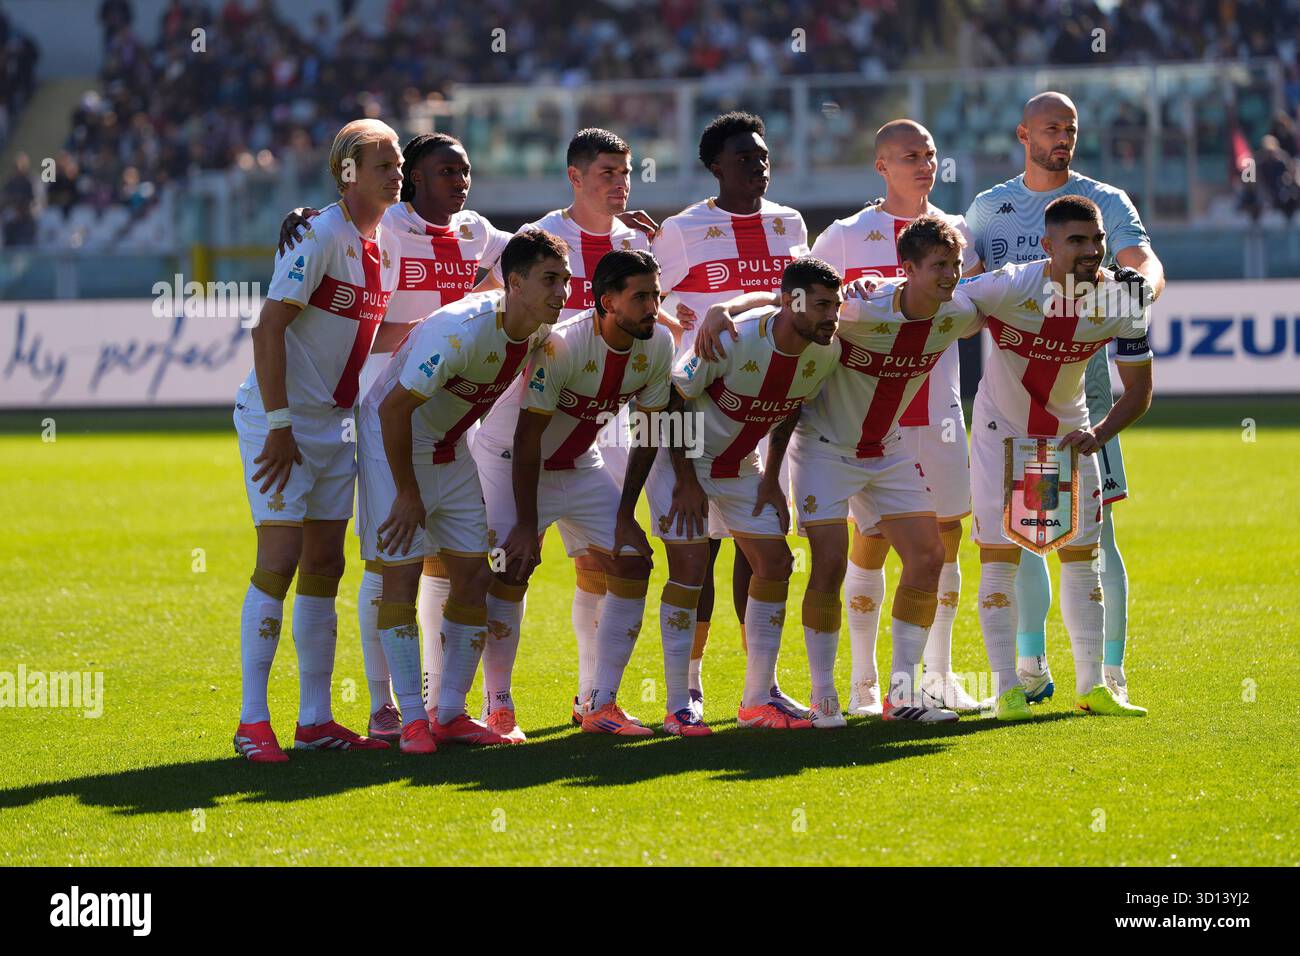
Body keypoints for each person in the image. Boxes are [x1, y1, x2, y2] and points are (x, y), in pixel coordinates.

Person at [697, 217, 986, 724]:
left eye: (956, 265)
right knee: (827, 564)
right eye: (939, 265)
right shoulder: (855, 307)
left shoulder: (958, 309)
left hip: (889, 449)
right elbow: (781, 299)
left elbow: (1006, 297)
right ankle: (824, 694)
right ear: (908, 269)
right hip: (825, 448)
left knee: (929, 554)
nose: (951, 275)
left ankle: (902, 697)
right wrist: (722, 306)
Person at [278, 132, 512, 742]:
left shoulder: (477, 234)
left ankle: (442, 706)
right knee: (390, 564)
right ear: (410, 179)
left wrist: (618, 232)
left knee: (447, 560)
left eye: (465, 171)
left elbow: (543, 255)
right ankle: (386, 705)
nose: (459, 183)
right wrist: (303, 214)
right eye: (443, 172)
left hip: (452, 416)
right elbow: (341, 218)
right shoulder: (390, 225)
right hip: (386, 407)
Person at [964, 91, 1165, 708]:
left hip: (1086, 394)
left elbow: (1143, 267)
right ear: (1023, 134)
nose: (1064, 136)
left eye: (1072, 127)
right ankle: (1023, 672)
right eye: (1052, 126)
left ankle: (1106, 676)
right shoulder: (989, 210)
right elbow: (960, 284)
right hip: (1007, 397)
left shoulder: (1106, 201)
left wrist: (1138, 292)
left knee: (1093, 538)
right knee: (1013, 539)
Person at [478, 128, 685, 724]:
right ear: (575, 177)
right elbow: (499, 304)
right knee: (506, 566)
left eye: (626, 174)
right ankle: (489, 704)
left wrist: (685, 317)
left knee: (618, 559)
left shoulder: (636, 242)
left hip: (589, 441)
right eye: (607, 174)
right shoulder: (539, 240)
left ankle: (597, 700)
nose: (620, 184)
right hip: (522, 435)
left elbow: (647, 328)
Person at [232, 118, 403, 762]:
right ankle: (252, 722)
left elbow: (369, 336)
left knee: (326, 565)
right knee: (278, 559)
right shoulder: (319, 233)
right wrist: (279, 426)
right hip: (279, 422)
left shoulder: (382, 241)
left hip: (335, 425)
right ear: (347, 172)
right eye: (383, 162)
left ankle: (315, 720)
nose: (397, 171)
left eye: (398, 162)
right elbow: (267, 330)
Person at [616, 257, 841, 732]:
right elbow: (672, 401)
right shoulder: (730, 339)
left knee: (776, 563)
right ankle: (680, 701)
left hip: (742, 468)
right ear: (791, 302)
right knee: (692, 568)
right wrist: (686, 481)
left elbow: (789, 412)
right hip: (682, 459)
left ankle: (758, 699)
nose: (832, 316)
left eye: (836, 306)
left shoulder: (825, 351)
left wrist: (772, 481)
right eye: (822, 305)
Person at [363, 229, 570, 747]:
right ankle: (411, 718)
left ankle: (450, 713)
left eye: (565, 281)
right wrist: (407, 492)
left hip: (449, 445)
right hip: (393, 440)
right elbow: (392, 410)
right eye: (550, 280)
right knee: (401, 579)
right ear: (515, 282)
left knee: (475, 578)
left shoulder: (539, 333)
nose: (561, 293)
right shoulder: (459, 331)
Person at [808, 119, 982, 716]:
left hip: (937, 410)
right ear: (881, 164)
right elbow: (806, 303)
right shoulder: (843, 236)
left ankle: (938, 673)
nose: (925, 164)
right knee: (873, 536)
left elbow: (977, 303)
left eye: (931, 154)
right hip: (864, 418)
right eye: (911, 155)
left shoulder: (957, 230)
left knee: (946, 536)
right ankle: (864, 681)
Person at [651, 110, 811, 721]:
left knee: (759, 551)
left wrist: (727, 306)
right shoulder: (684, 229)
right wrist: (685, 332)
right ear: (715, 166)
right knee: (697, 556)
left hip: (765, 415)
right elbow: (645, 301)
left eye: (763, 157)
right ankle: (686, 688)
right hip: (690, 411)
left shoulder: (790, 223)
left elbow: (795, 299)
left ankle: (757, 687)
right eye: (744, 158)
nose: (758, 166)